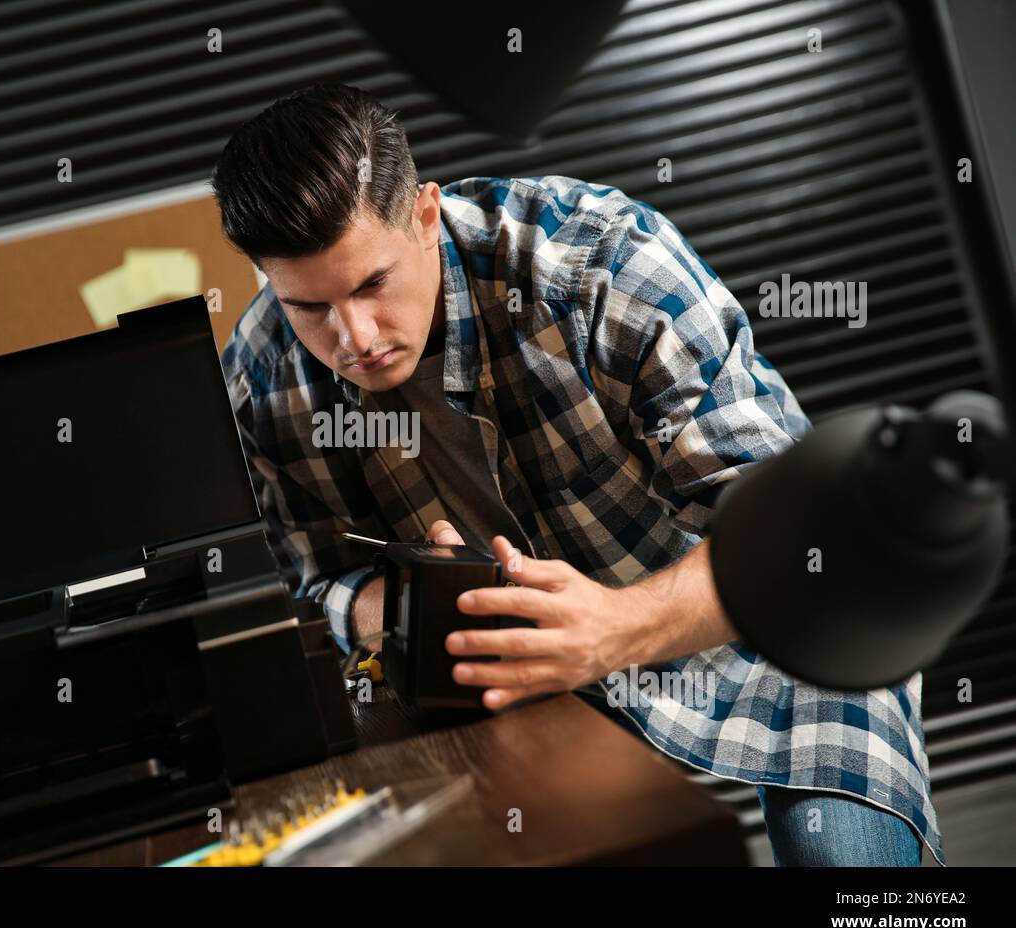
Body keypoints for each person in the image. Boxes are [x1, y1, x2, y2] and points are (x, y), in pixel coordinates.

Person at [212, 83, 937, 867]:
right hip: (531, 688)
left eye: (371, 285)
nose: (352, 336)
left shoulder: (601, 263)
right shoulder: (262, 381)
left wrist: (614, 629)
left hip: (765, 632)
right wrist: (404, 607)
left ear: (425, 215)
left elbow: (796, 541)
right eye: (308, 306)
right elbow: (304, 594)